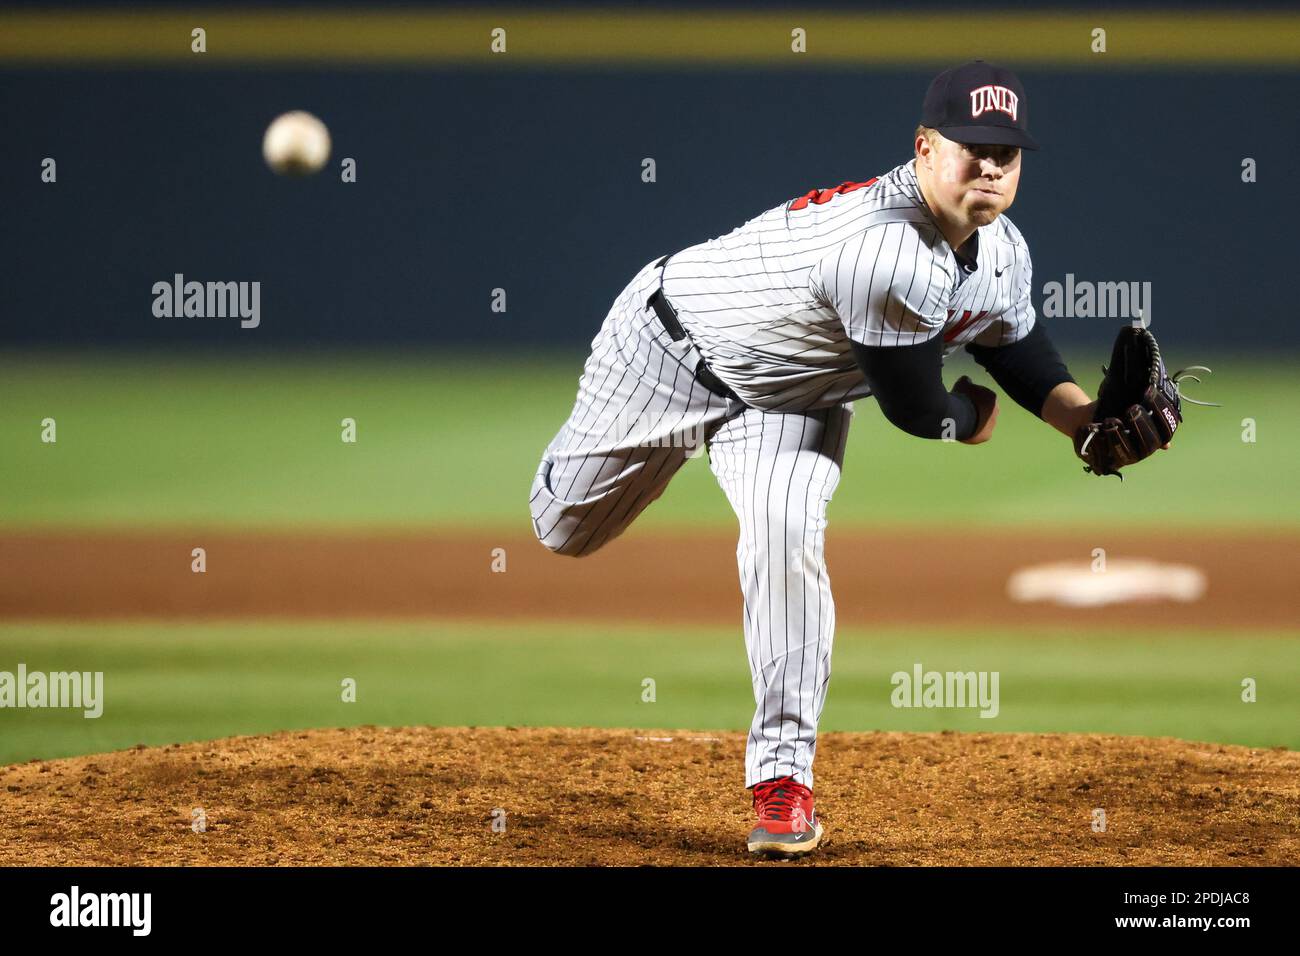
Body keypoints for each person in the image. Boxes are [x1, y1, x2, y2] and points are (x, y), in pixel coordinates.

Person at [529, 60, 1094, 857]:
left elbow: (1011, 336)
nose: (992, 165)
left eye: (1008, 151)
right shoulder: (884, 250)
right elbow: (916, 409)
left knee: (786, 535)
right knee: (561, 529)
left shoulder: (1000, 245)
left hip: (789, 402)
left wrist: (1083, 418)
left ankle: (782, 784)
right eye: (972, 147)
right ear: (926, 148)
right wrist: (971, 418)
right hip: (669, 347)